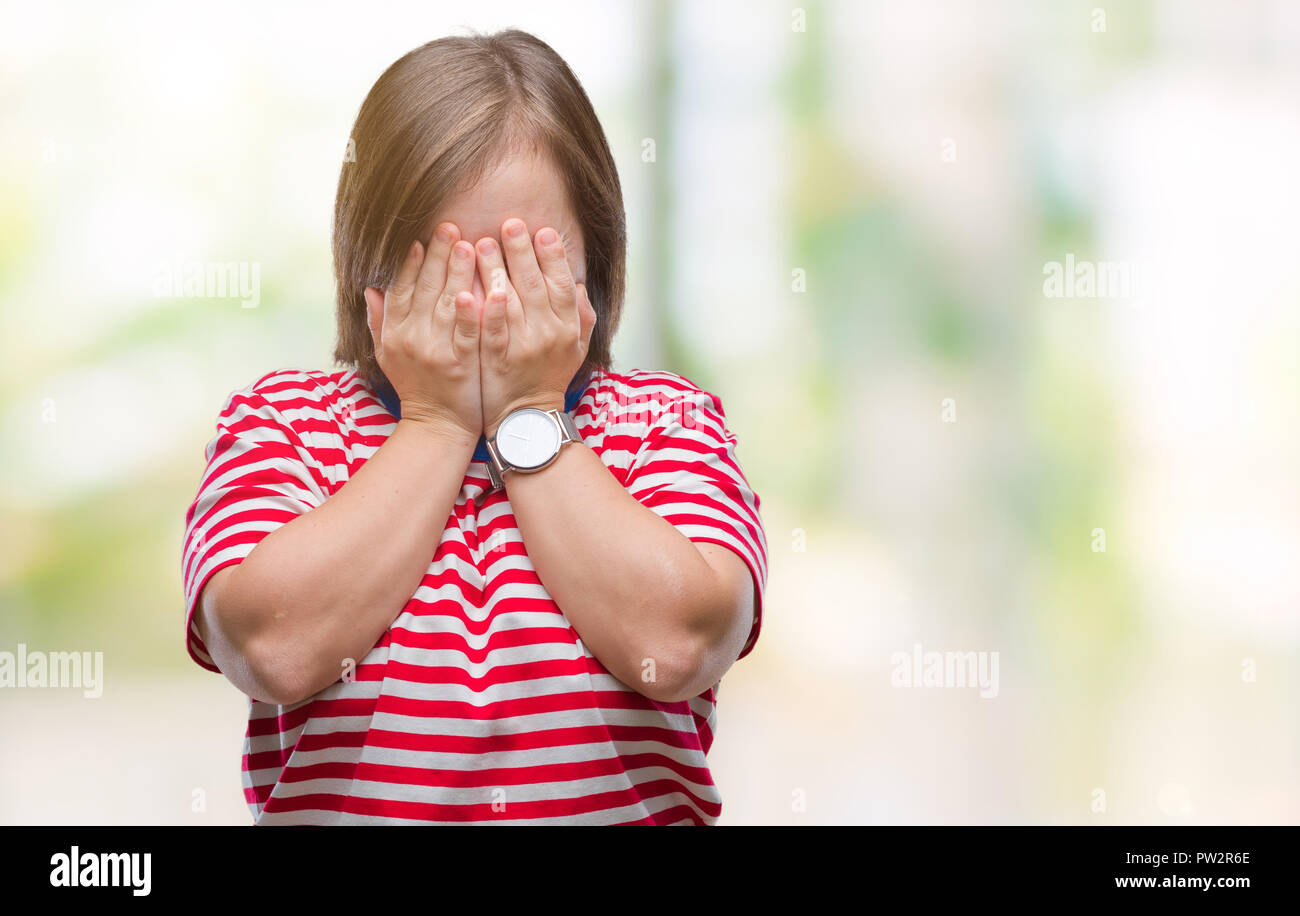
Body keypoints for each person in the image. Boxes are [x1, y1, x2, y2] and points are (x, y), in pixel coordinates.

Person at [180, 29, 768, 825]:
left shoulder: (666, 419)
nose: (485, 305)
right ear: (370, 269)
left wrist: (530, 416)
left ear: (596, 264)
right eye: (448, 272)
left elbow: (679, 643)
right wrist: (435, 421)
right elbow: (273, 649)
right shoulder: (284, 423)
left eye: (523, 267)